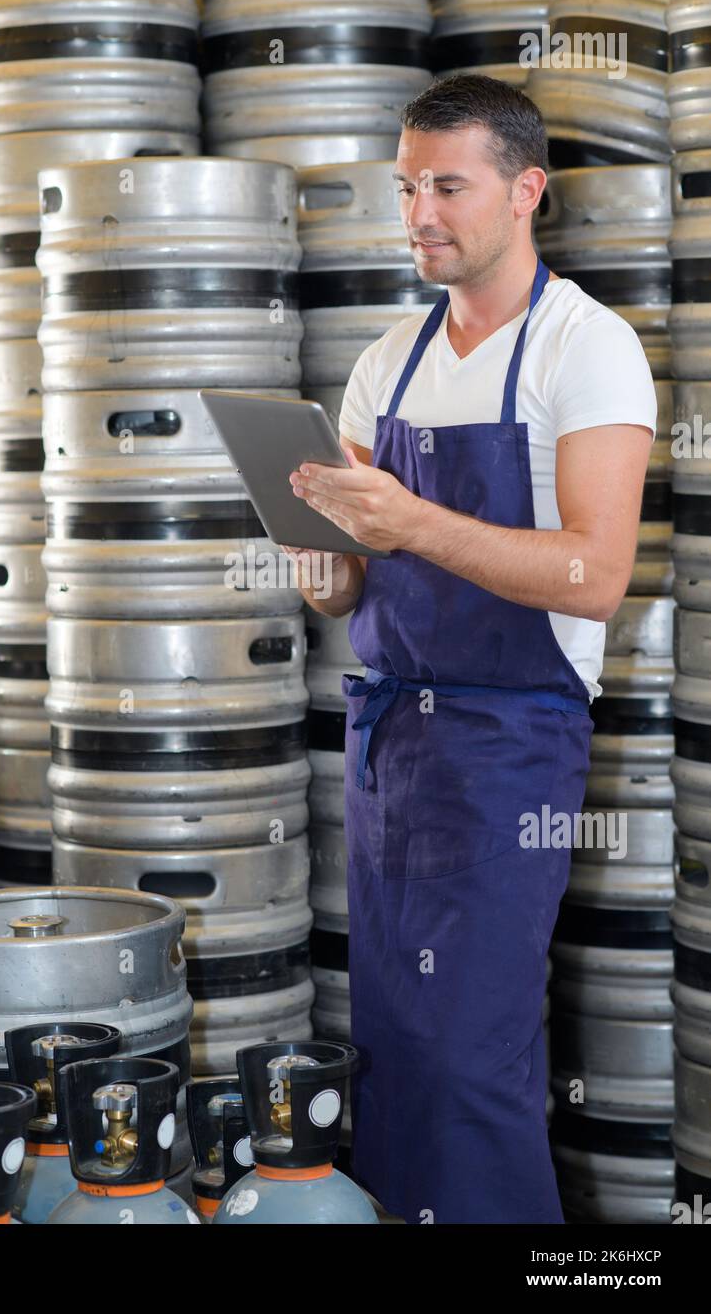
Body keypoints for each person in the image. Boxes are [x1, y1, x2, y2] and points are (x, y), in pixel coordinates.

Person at [284, 73, 657, 1224]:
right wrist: (314, 549)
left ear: (524, 189)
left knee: (468, 1061)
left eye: (447, 185)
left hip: (506, 754)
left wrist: (413, 526)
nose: (418, 214)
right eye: (405, 187)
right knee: (391, 1052)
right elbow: (348, 589)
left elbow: (593, 577)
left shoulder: (584, 349)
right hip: (389, 743)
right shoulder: (385, 358)